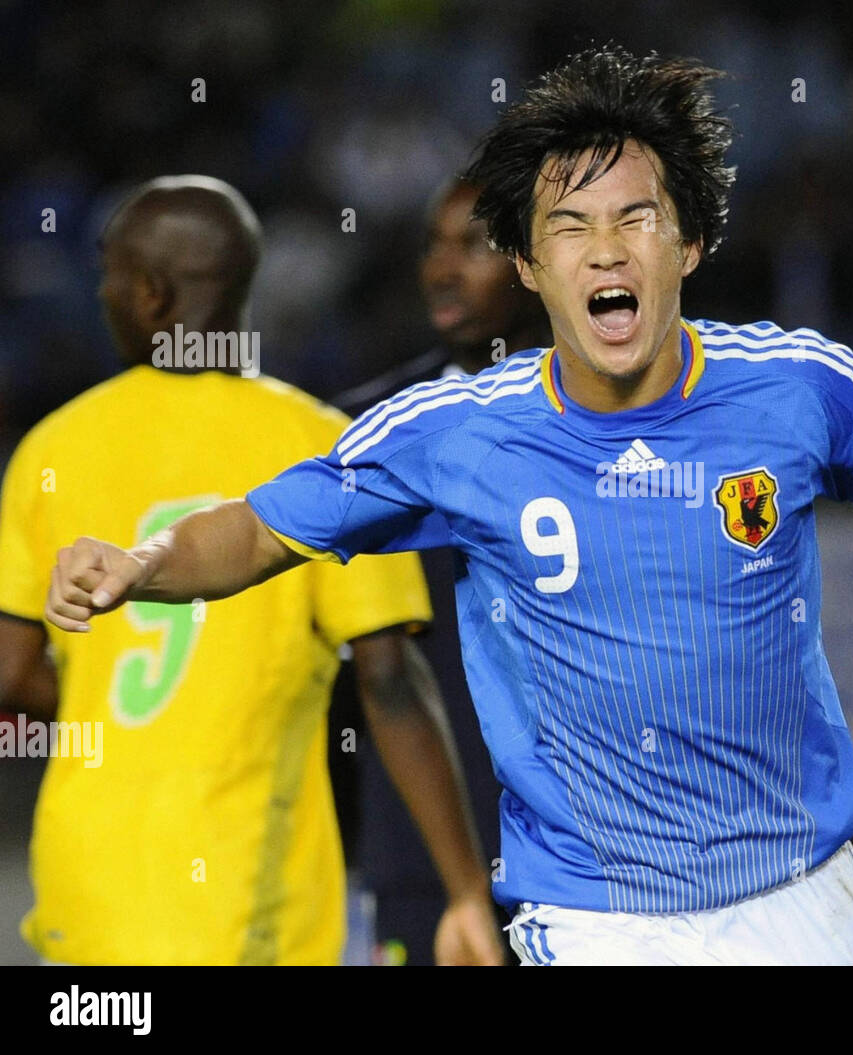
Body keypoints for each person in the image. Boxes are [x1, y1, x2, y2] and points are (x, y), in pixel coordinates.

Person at [42, 50, 853, 966]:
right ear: (530, 267)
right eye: (567, 227)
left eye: (636, 217)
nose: (604, 249)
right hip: (588, 912)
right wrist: (138, 563)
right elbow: (252, 529)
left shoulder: (792, 391)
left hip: (793, 898)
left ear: (689, 242)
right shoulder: (455, 434)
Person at [0, 175, 503, 965]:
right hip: (250, 892)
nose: (98, 294)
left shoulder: (50, 449)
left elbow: (11, 674)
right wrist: (466, 886)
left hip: (83, 884)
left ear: (151, 293)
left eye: (107, 275)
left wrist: (122, 707)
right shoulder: (315, 446)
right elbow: (389, 680)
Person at [331, 176, 548, 965]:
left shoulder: (623, 425)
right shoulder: (362, 430)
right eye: (433, 245)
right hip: (423, 857)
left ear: (536, 261)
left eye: (475, 245)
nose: (443, 269)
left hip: (601, 857)